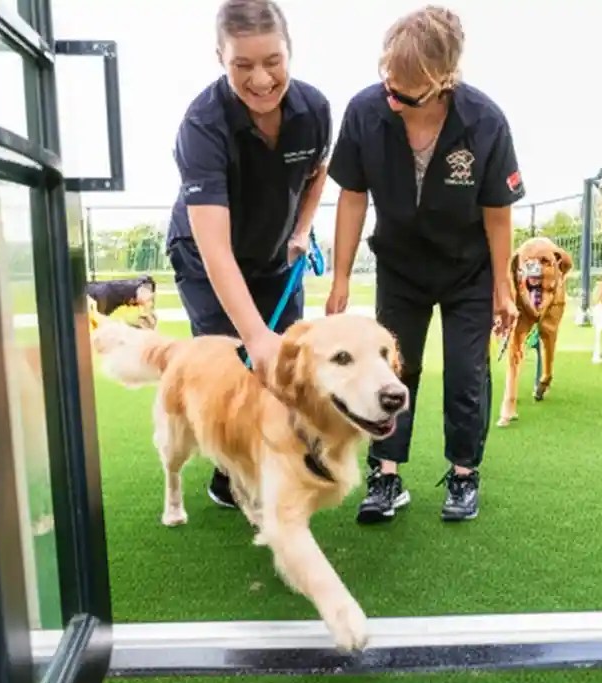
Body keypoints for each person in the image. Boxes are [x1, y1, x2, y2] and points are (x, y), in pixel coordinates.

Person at [326, 5, 524, 523]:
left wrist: (502, 285)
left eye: (403, 89)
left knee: (465, 373)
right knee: (392, 371)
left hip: (467, 270)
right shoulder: (365, 112)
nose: (390, 93)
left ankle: (463, 475)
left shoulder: (483, 122)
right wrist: (341, 277)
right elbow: (352, 195)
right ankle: (386, 476)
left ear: (443, 80)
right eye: (386, 79)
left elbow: (498, 213)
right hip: (400, 269)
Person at [166, 0, 332, 509]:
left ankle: (285, 459)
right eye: (243, 65)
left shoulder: (315, 109)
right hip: (206, 260)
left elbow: (317, 171)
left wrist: (302, 229)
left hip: (276, 254)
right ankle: (229, 471)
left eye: (272, 61)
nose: (261, 79)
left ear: (289, 53)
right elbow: (216, 250)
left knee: (289, 365)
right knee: (235, 363)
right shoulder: (202, 126)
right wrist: (255, 336)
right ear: (221, 57)